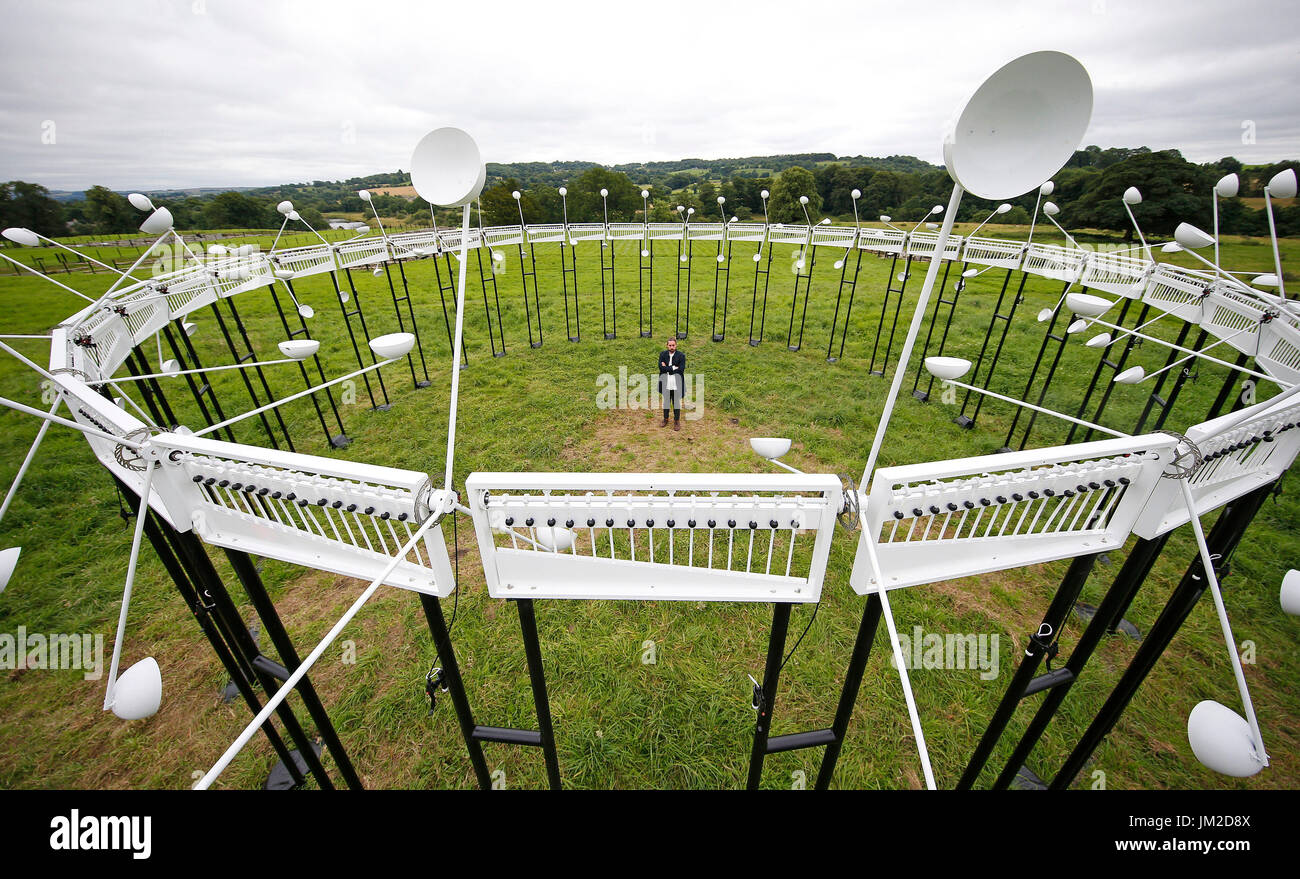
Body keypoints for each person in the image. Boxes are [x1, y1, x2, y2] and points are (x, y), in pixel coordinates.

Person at [658, 338, 685, 430]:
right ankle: (665, 419)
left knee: (676, 403)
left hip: (676, 383)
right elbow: (661, 368)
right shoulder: (663, 354)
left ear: (676, 345)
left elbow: (681, 369)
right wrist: (673, 368)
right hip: (666, 382)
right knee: (666, 402)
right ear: (667, 345)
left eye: (673, 345)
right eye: (670, 345)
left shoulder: (681, 356)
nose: (672, 347)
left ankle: (676, 421)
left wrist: (667, 368)